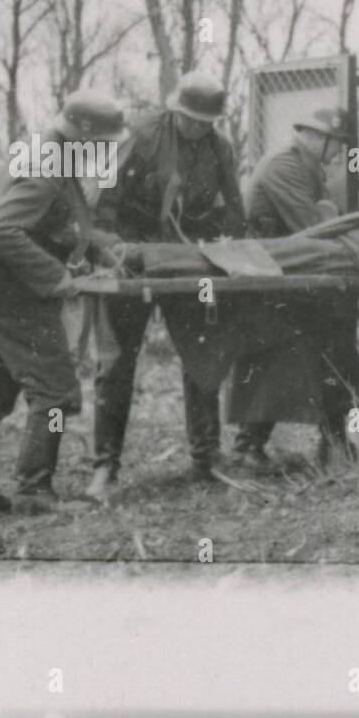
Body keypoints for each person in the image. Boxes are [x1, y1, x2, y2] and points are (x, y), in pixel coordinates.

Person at [0, 90, 128, 516]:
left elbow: (49, 222)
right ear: (84, 138)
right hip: (11, 290)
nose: (107, 151)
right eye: (105, 142)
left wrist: (92, 250)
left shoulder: (52, 153)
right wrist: (57, 278)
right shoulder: (46, 162)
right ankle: (34, 490)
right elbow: (2, 231)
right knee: (56, 392)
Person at [86, 71, 246, 499]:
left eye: (206, 122)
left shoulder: (220, 148)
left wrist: (225, 247)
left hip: (186, 259)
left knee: (202, 353)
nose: (198, 128)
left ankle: (206, 457)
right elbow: (101, 203)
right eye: (191, 119)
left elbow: (233, 209)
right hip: (132, 257)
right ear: (175, 111)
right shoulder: (139, 136)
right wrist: (112, 252)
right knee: (117, 363)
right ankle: (105, 466)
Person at [229, 107, 359, 469]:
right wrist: (327, 213)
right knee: (275, 358)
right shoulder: (285, 166)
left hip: (290, 276)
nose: (339, 153)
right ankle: (247, 448)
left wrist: (327, 212)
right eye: (337, 144)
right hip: (269, 280)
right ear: (319, 138)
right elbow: (313, 225)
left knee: (335, 349)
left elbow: (323, 217)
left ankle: (337, 442)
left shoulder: (307, 167)